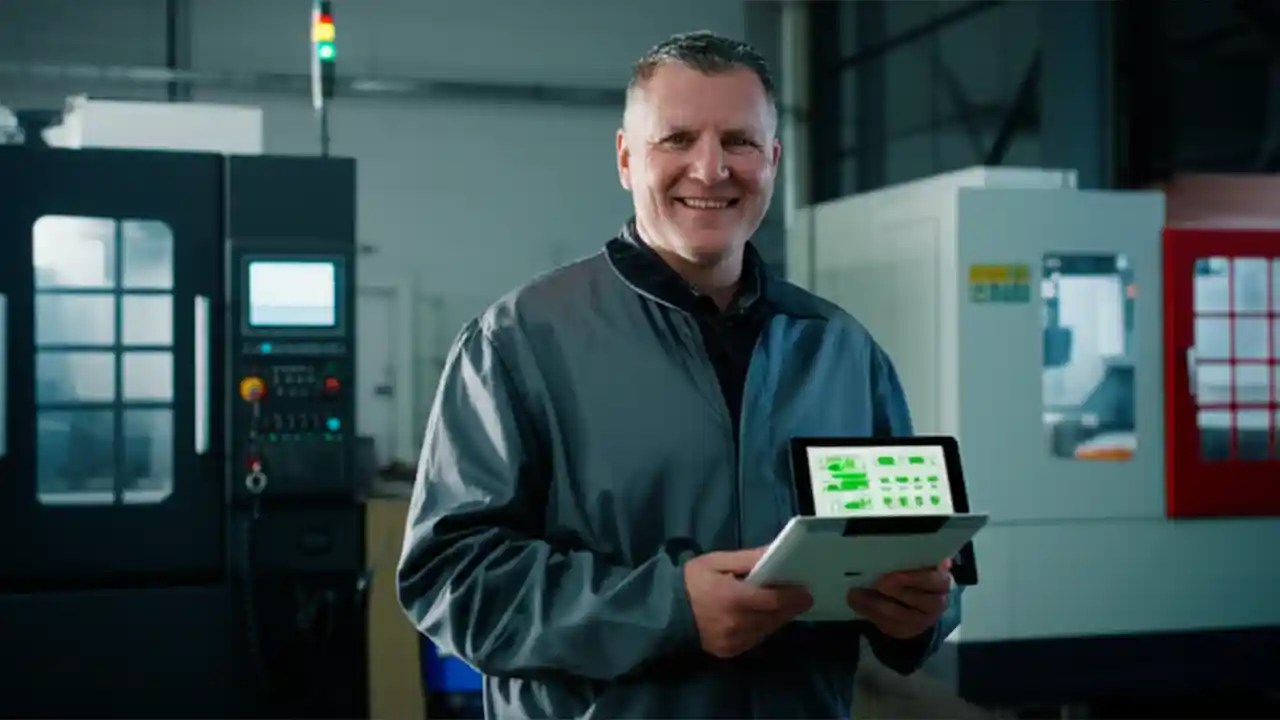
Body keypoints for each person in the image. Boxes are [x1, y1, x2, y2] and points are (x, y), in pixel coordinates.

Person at [397, 30, 961, 719]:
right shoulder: (520, 343)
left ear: (773, 161)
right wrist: (667, 609)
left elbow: (910, 545)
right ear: (626, 158)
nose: (710, 168)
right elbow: (451, 579)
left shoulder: (841, 349)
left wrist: (919, 613)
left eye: (740, 142)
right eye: (677, 139)